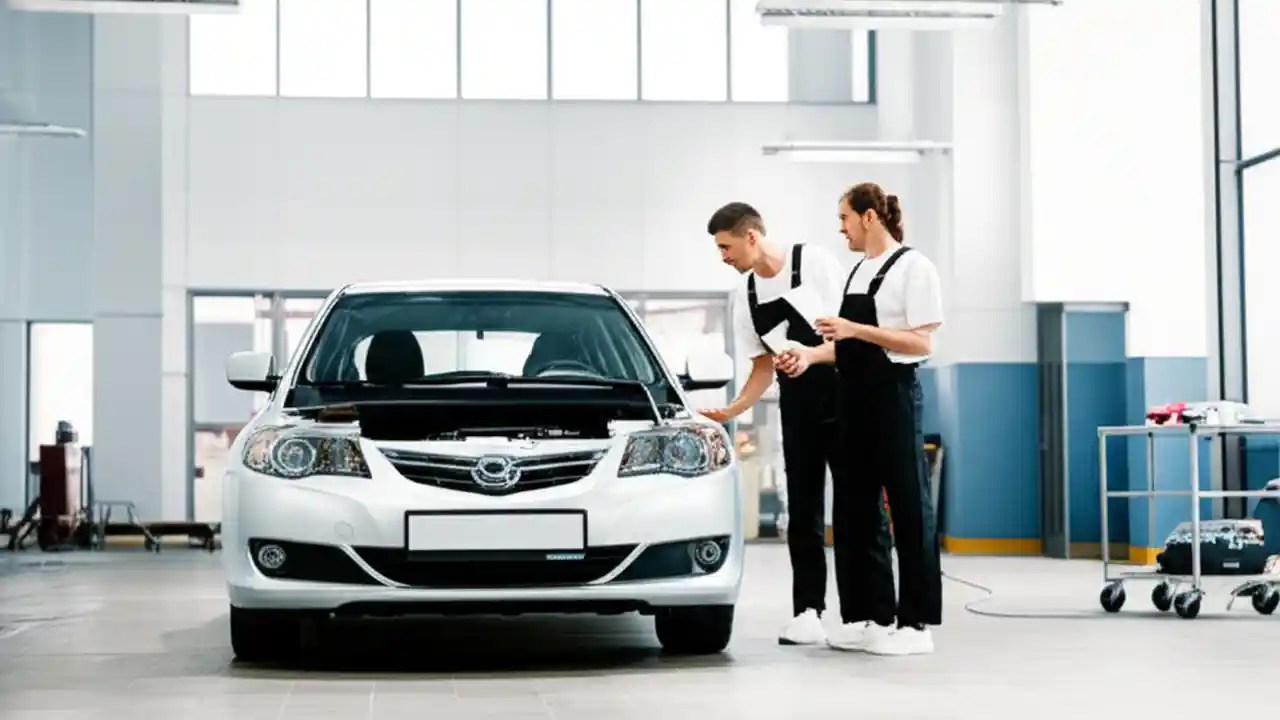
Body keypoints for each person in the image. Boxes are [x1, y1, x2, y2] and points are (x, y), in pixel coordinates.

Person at [700, 202, 894, 646]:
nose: (723, 257)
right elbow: (763, 368)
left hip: (846, 396)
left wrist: (809, 355)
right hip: (799, 405)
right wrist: (733, 409)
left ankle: (867, 613)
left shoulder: (815, 262)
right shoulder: (745, 295)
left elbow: (850, 336)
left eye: (726, 247)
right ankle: (807, 610)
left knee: (856, 507)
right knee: (802, 510)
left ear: (751, 237)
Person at [775, 183, 944, 656]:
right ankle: (870, 616)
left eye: (845, 218)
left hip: (893, 398)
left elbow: (922, 342)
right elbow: (846, 345)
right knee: (854, 512)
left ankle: (915, 625)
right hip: (851, 399)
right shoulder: (856, 269)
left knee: (909, 510)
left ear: (870, 217)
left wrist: (855, 329)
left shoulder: (915, 267)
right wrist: (809, 354)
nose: (841, 228)